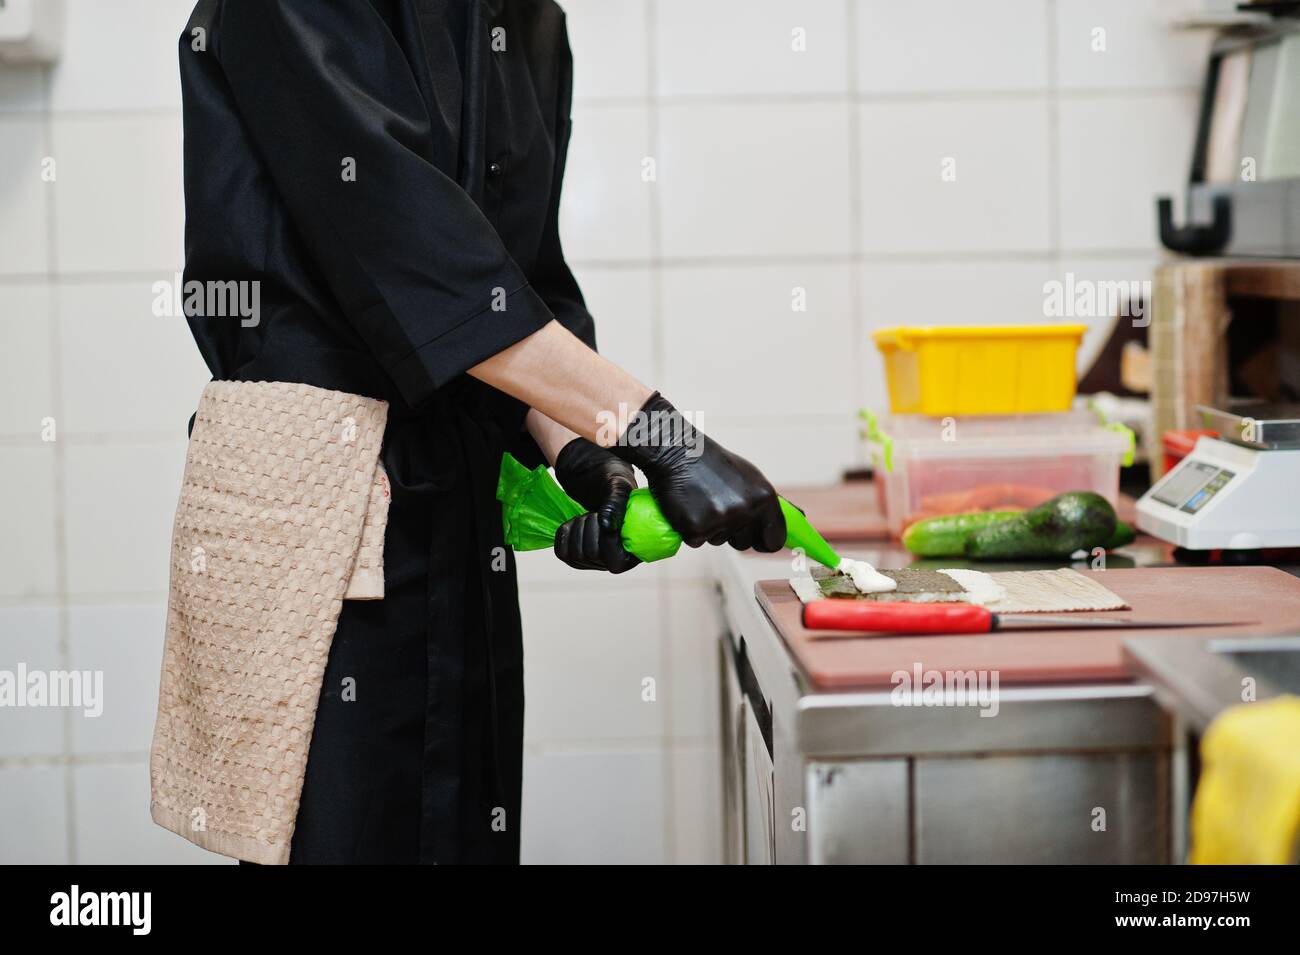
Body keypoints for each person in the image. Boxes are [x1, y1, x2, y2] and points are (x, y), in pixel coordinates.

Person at [178, 0, 784, 864]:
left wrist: (580, 450)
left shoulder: (529, 19)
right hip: (320, 512)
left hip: (460, 518)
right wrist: (661, 431)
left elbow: (514, 283)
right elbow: (402, 244)